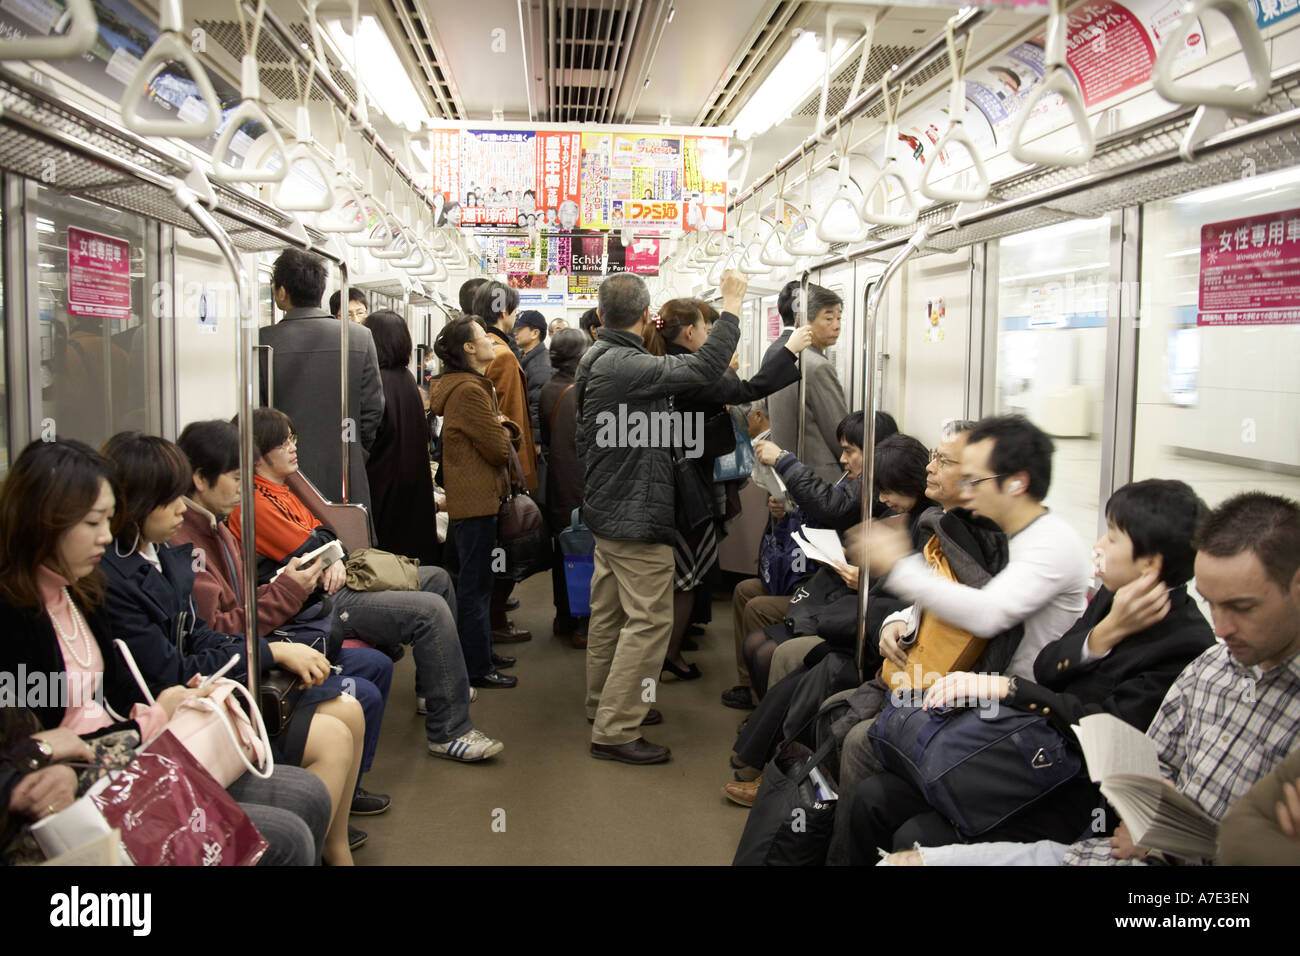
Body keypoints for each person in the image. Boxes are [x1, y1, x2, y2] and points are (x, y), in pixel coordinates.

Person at [883, 491, 1300, 867]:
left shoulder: (1190, 644)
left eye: (1242, 607)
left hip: (1072, 784)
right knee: (880, 793)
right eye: (1213, 604)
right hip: (1060, 773)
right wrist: (1104, 634)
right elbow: (1053, 671)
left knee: (914, 826)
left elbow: (1109, 727)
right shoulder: (1204, 664)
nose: (1224, 627)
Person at [0, 439, 333, 867]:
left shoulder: (84, 589)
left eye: (107, 519)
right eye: (92, 522)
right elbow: (45, 749)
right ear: (44, 523)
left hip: (120, 753)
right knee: (286, 836)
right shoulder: (21, 617)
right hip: (91, 780)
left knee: (306, 796)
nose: (104, 534)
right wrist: (151, 719)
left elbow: (183, 647)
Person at [96, 431, 365, 865]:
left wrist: (269, 644)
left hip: (204, 691)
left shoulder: (165, 551)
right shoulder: (128, 576)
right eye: (170, 499)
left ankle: (334, 847)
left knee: (351, 705)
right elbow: (175, 667)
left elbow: (201, 633)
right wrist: (273, 647)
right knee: (335, 734)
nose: (181, 507)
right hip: (173, 723)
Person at [229, 407, 505, 760]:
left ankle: (433, 690)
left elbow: (332, 538)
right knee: (430, 610)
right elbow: (313, 547)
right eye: (284, 443)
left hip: (334, 581)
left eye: (293, 440)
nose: (294, 448)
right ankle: (449, 731)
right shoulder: (254, 504)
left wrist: (327, 549)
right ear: (258, 452)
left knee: (436, 579)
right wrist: (327, 549)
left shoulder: (282, 490)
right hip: (315, 602)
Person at [173, 419, 395, 828]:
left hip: (268, 633)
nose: (242, 488)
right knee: (360, 689)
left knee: (377, 666)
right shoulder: (188, 544)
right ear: (200, 480)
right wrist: (289, 593)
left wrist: (289, 586)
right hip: (246, 658)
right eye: (236, 478)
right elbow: (221, 632)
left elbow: (326, 538)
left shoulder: (222, 524)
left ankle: (346, 790)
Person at [576, 270, 745, 765]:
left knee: (609, 615)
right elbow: (704, 369)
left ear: (603, 315)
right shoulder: (626, 364)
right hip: (635, 511)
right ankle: (616, 728)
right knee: (650, 620)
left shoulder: (597, 357)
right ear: (646, 313)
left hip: (607, 506)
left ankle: (602, 703)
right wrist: (731, 305)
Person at [644, 297, 812, 681]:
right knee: (685, 579)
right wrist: (788, 350)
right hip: (688, 486)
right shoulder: (690, 370)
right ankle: (666, 656)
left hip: (669, 481)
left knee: (671, 578)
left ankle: (663, 654)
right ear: (690, 333)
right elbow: (748, 390)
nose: (708, 336)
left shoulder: (661, 363)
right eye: (706, 329)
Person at [859, 414, 1091, 681]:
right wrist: (898, 620)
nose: (966, 493)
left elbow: (987, 613)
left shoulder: (1053, 542)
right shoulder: (997, 534)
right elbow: (955, 595)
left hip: (1014, 702)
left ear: (1017, 483)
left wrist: (898, 567)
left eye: (975, 482)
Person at [428, 318, 523, 689]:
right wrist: (508, 427)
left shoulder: (465, 386)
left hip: (471, 499)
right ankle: (478, 667)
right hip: (477, 501)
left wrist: (500, 423)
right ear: (469, 348)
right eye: (483, 337)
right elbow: (499, 448)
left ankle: (481, 653)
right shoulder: (469, 391)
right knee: (476, 588)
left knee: (476, 583)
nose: (491, 342)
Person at [261, 248, 384, 513]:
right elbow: (372, 410)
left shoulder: (261, 342)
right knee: (350, 542)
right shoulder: (359, 337)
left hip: (280, 475)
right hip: (344, 470)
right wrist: (354, 452)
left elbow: (258, 415)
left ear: (281, 291)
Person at [472, 280, 538, 645]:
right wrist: (519, 474)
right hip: (503, 467)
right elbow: (511, 418)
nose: (514, 318)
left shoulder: (479, 350)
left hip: (480, 469)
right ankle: (495, 620)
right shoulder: (504, 355)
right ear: (502, 312)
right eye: (512, 311)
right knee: (505, 545)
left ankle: (490, 618)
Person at [362, 309, 441, 565]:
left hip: (384, 485)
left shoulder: (375, 382)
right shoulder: (407, 379)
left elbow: (369, 437)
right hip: (413, 484)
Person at [766, 282, 849, 483]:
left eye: (839, 318)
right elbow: (839, 433)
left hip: (788, 472)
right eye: (828, 318)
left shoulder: (783, 358)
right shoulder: (817, 367)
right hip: (820, 477)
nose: (836, 325)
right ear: (804, 321)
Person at [539, 328, 589, 647]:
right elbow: (578, 450)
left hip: (556, 486)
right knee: (582, 553)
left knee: (563, 554)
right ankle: (582, 625)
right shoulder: (576, 393)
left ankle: (563, 616)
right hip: (576, 488)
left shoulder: (549, 388)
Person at [513, 309, 553, 447]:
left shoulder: (540, 365)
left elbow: (538, 405)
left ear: (535, 333)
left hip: (535, 441)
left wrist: (536, 441)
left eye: (520, 328)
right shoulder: (525, 356)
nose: (515, 332)